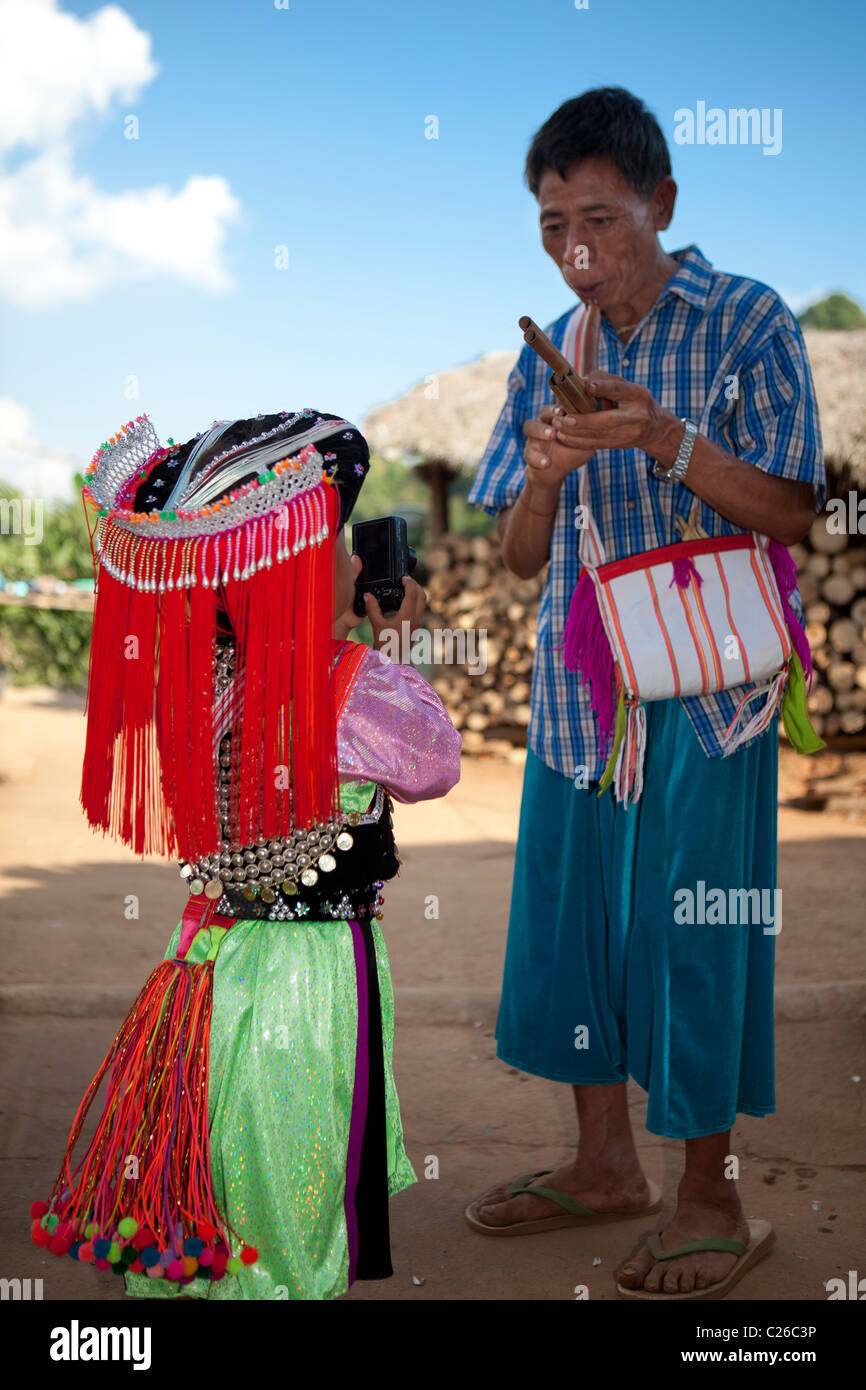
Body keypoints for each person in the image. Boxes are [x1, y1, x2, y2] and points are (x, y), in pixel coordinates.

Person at [465, 88, 825, 1299]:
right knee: (568, 930)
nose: (578, 251)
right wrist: (548, 478)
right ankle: (604, 1165)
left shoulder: (745, 321)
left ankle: (710, 1194)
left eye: (603, 220)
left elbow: (792, 510)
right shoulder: (551, 352)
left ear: (661, 203)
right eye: (553, 225)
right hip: (580, 695)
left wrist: (663, 440)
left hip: (710, 689)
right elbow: (518, 557)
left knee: (694, 931)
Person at [30, 409, 461, 1300]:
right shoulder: (353, 690)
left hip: (207, 960)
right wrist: (392, 651)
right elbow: (433, 765)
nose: (353, 558)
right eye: (339, 541)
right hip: (307, 975)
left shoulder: (194, 682)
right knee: (286, 1167)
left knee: (214, 1154)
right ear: (297, 571)